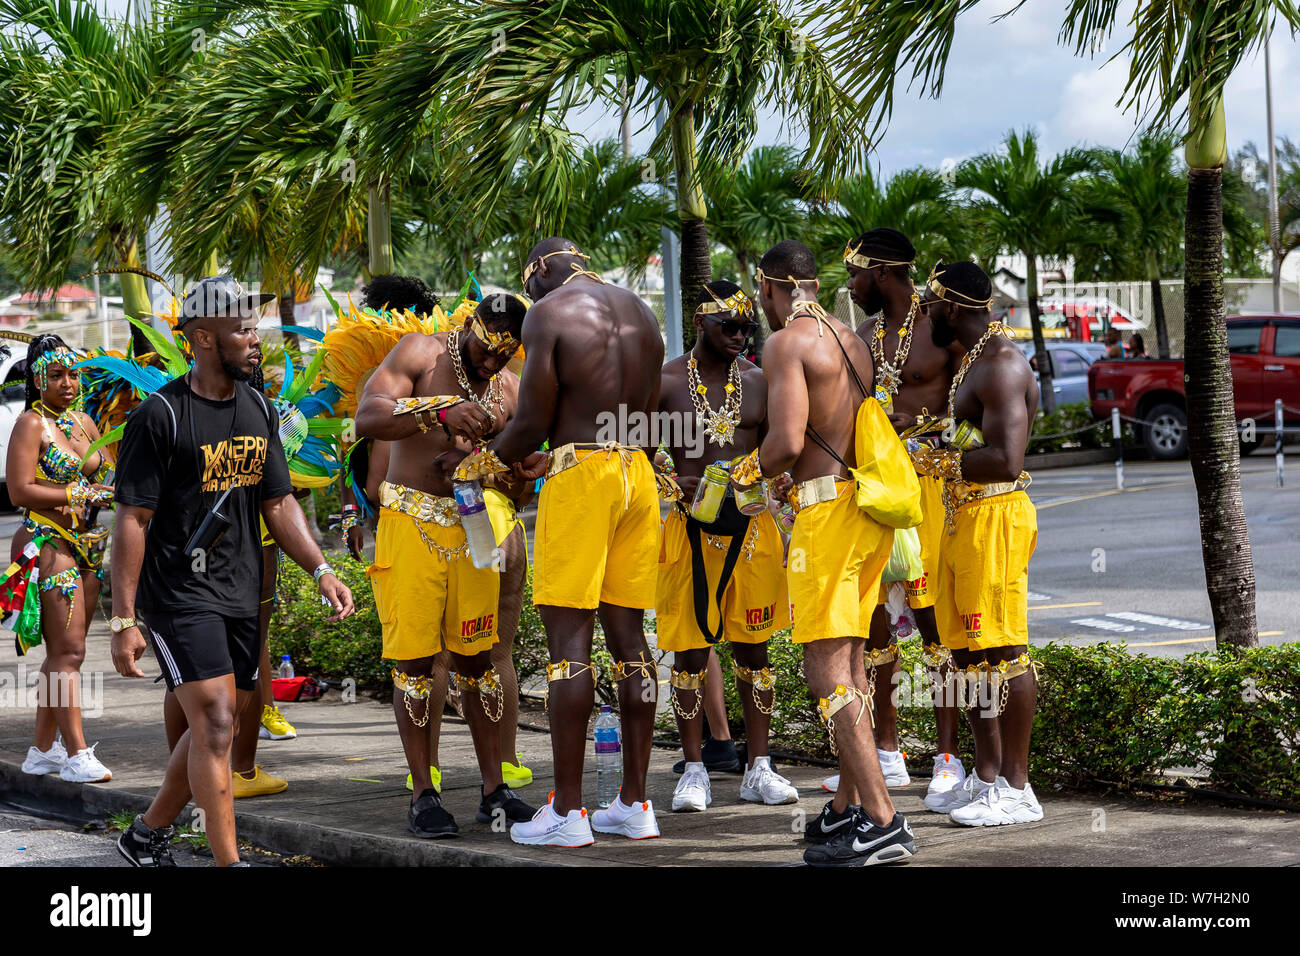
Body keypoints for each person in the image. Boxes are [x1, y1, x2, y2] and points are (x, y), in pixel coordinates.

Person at [111, 276, 355, 867]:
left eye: (255, 329)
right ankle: (229, 863)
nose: (255, 341)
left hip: (243, 588)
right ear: (201, 338)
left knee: (220, 722)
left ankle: (145, 833)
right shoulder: (160, 416)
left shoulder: (258, 407)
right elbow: (133, 519)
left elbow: (278, 500)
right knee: (217, 720)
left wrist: (321, 567)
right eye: (243, 330)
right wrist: (123, 617)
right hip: (177, 591)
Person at [460, 237, 664, 847]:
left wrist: (481, 461)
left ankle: (569, 812)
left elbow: (530, 419)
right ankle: (635, 802)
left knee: (568, 644)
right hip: (638, 475)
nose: (532, 299)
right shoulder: (641, 312)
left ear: (541, 271)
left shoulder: (551, 313)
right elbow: (642, 420)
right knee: (631, 640)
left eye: (530, 286)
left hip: (582, 480)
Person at [747, 239, 916, 866]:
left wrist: (741, 472)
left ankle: (883, 819)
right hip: (864, 510)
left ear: (772, 287)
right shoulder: (852, 338)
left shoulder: (786, 342)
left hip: (825, 514)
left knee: (825, 665)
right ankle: (849, 808)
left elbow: (787, 440)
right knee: (851, 658)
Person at [354, 293, 537, 839]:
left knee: (479, 659)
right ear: (470, 325)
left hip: (475, 527)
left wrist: (512, 465)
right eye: (487, 348)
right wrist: (436, 410)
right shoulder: (420, 353)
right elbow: (368, 417)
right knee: (415, 666)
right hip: (411, 524)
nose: (492, 362)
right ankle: (424, 794)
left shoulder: (509, 388)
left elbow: (517, 481)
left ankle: (493, 789)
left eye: (505, 355)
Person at [835, 227, 968, 808]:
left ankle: (947, 757)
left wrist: (945, 448)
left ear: (882, 273)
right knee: (874, 626)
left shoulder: (941, 328)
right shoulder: (865, 335)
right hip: (878, 498)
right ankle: (886, 753)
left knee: (937, 626)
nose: (851, 285)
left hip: (933, 495)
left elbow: (979, 406)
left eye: (856, 275)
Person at [655, 280, 797, 813]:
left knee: (755, 649)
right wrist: (673, 479)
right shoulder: (666, 380)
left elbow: (779, 450)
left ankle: (759, 767)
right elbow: (639, 451)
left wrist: (776, 487)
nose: (740, 335)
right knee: (691, 651)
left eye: (746, 327)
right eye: (728, 327)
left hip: (754, 529)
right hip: (690, 531)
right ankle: (694, 770)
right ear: (700, 324)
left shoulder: (759, 382)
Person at [911, 260, 1042, 827]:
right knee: (966, 652)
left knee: (1001, 649)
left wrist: (934, 459)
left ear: (956, 308)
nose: (925, 312)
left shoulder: (1002, 365)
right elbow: (971, 438)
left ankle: (1016, 785)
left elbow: (1005, 459)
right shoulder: (971, 361)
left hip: (995, 516)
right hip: (963, 516)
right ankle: (985, 775)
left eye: (932, 304)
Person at [9, 335, 115, 784]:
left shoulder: (84, 422)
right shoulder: (31, 424)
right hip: (46, 541)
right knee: (68, 654)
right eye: (56, 375)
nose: (69, 382)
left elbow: (110, 472)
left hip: (88, 542)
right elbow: (18, 490)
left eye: (73, 373)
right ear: (38, 380)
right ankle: (75, 753)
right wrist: (75, 492)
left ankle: (39, 752)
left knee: (65, 653)